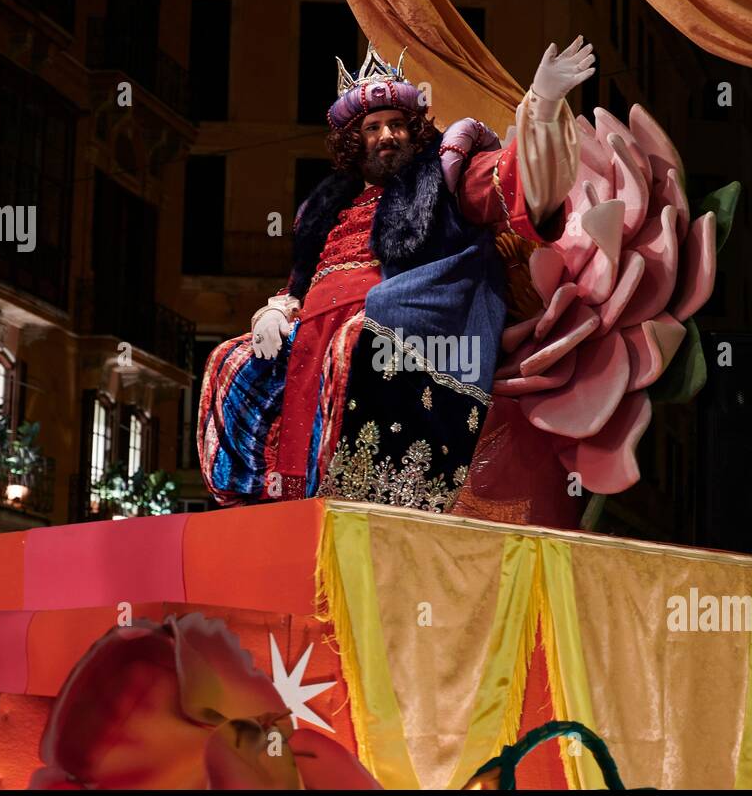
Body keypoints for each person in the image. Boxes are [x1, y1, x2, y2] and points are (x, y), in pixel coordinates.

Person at [199, 38, 593, 510]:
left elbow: (514, 181)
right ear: (354, 141)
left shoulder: (443, 179)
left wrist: (543, 107)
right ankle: (265, 501)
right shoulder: (327, 207)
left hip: (395, 336)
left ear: (414, 132)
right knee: (230, 360)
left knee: (352, 345)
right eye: (373, 127)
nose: (387, 136)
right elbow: (298, 284)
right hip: (311, 340)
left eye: (397, 125)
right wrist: (276, 310)